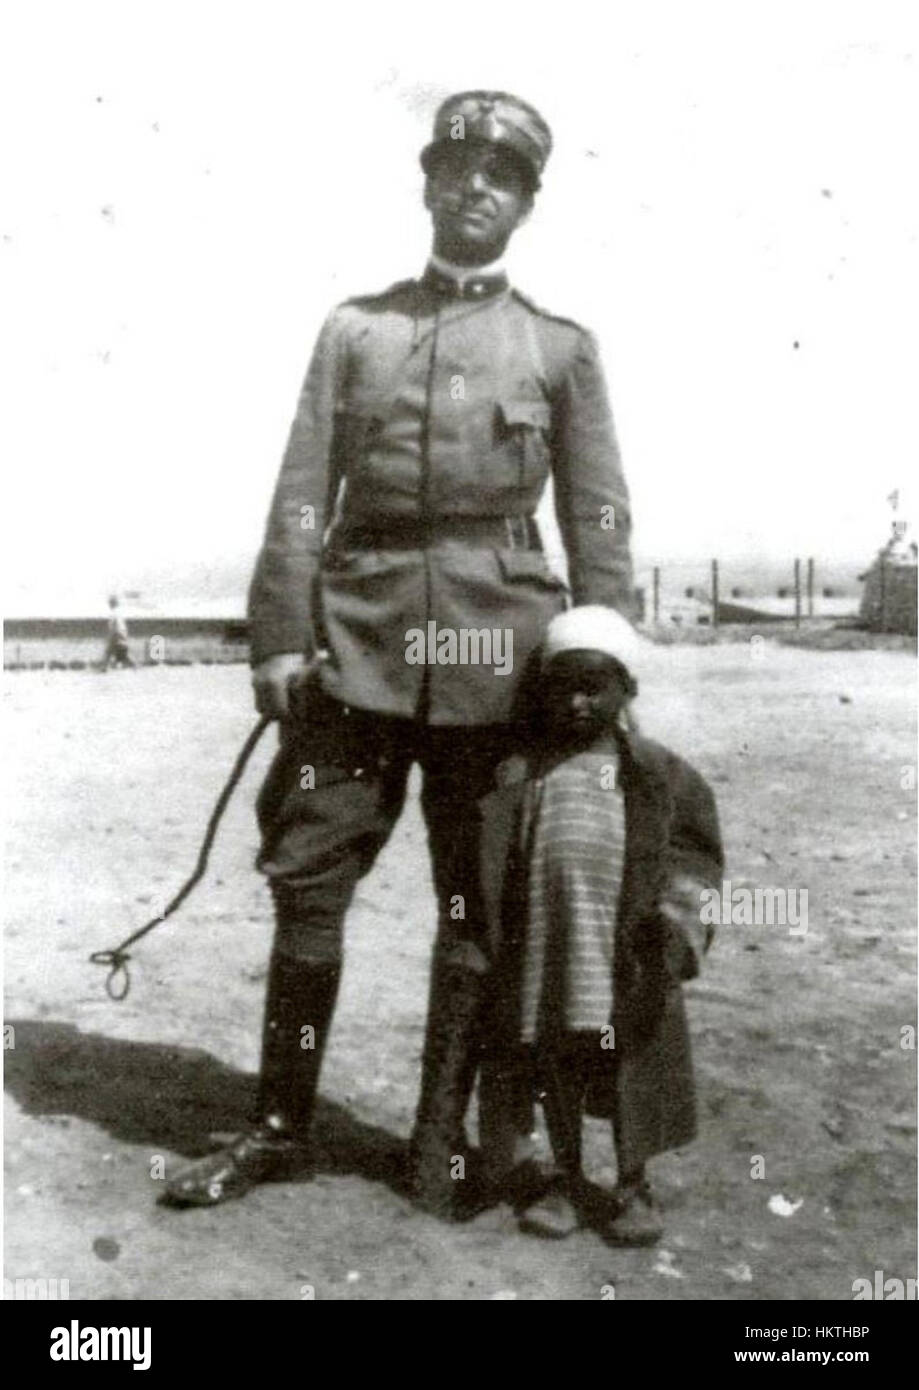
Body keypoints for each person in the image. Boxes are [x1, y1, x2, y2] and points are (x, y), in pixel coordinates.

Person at [164, 91, 634, 1218]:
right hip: (353, 653)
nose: (475, 188)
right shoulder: (354, 332)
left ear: (526, 204)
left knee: (474, 906)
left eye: (499, 177)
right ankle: (279, 1124)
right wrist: (280, 634)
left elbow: (600, 515)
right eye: (456, 168)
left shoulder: (561, 349)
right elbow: (297, 494)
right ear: (426, 185)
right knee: (308, 883)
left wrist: (600, 665)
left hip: (498, 662)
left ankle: (443, 1148)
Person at [476, 606, 723, 1243]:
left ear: (627, 689)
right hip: (550, 954)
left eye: (595, 686)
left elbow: (695, 859)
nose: (578, 700)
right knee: (555, 1060)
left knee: (628, 1068)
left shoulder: (660, 774)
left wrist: (673, 932)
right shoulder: (521, 772)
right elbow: (494, 855)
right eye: (564, 685)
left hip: (626, 954)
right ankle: (561, 1176)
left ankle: (633, 1185)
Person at [101, 595, 133, 670]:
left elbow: (114, 626)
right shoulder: (119, 612)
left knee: (109, 651)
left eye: (110, 603)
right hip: (120, 634)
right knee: (119, 653)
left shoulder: (114, 613)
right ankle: (104, 667)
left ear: (112, 603)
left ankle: (104, 668)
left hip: (116, 634)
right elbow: (121, 626)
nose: (109, 604)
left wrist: (111, 636)